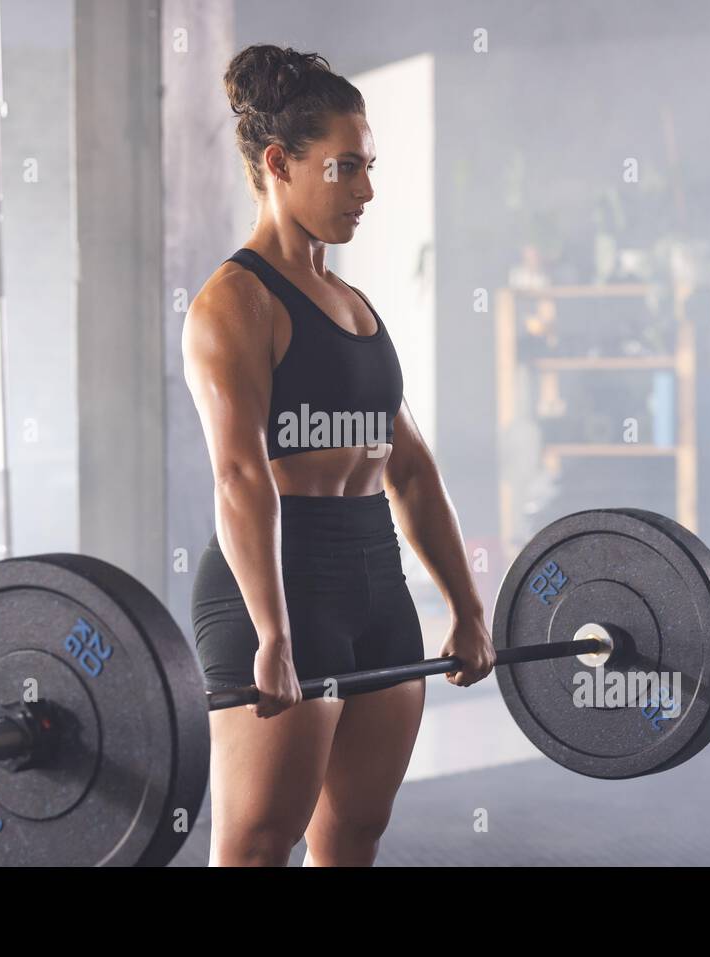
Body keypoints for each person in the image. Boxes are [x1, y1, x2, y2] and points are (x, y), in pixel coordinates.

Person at [183, 43, 495, 867]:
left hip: (375, 580)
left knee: (353, 831)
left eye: (370, 166)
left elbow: (412, 470)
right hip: (279, 583)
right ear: (280, 163)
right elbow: (241, 475)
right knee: (257, 843)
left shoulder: (353, 302)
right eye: (346, 167)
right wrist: (272, 633)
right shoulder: (234, 303)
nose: (366, 190)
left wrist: (463, 605)